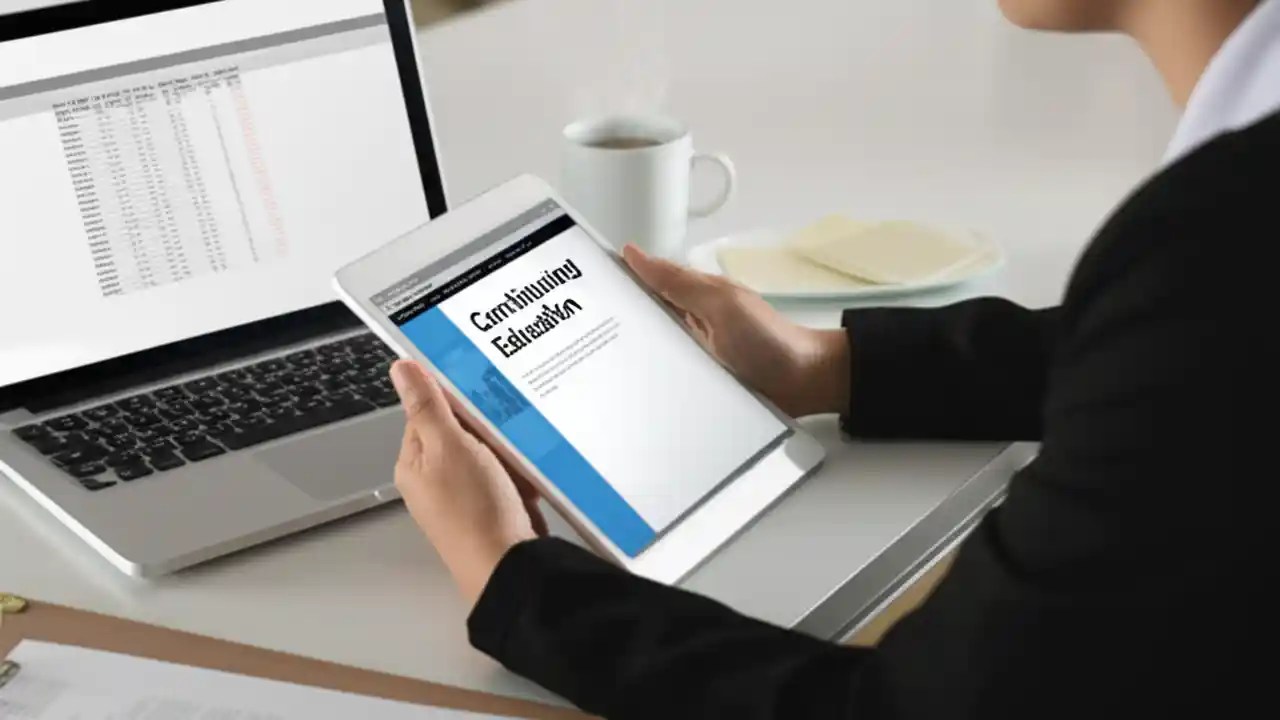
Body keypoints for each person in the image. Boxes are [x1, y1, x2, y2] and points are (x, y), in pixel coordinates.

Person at [386, 0, 1274, 716]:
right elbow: (1178, 355)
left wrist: (510, 576)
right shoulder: (1220, 249)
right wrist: (825, 363)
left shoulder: (1214, 246)